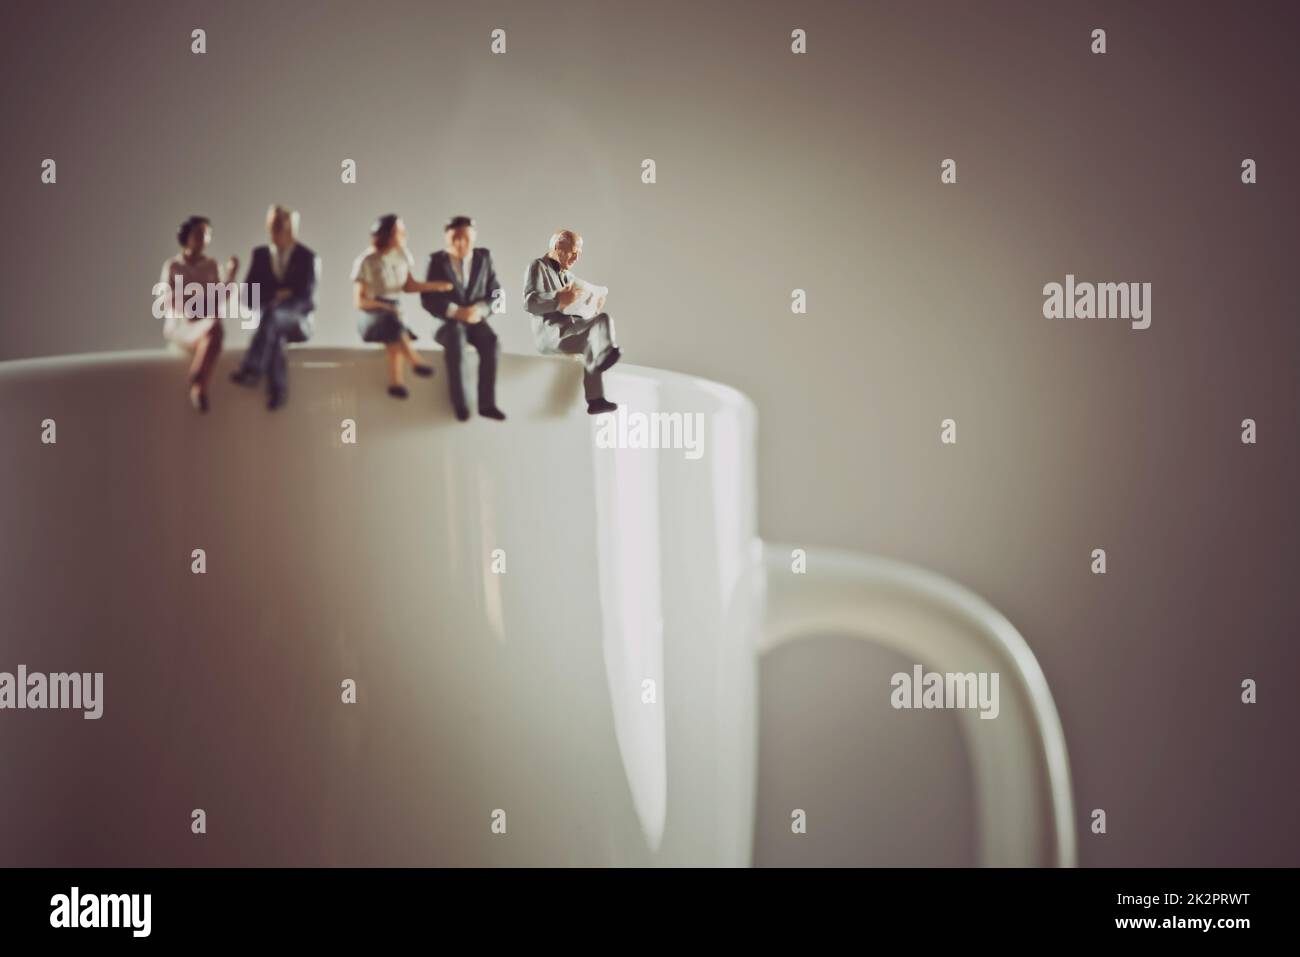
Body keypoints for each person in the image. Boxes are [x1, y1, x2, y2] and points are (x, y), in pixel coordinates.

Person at [352, 215, 453, 399]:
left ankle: (396, 383)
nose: (404, 234)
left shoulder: (402, 255)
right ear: (389, 235)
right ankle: (415, 361)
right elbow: (360, 301)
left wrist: (436, 286)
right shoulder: (367, 261)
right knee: (394, 325)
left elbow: (409, 286)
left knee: (394, 334)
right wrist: (384, 307)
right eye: (400, 231)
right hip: (373, 312)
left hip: (395, 311)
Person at [230, 205, 319, 410]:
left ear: (291, 227)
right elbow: (248, 297)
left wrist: (274, 297)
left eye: (280, 225)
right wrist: (278, 294)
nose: (275, 231)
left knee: (272, 318)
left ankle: (252, 368)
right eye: (272, 225)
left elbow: (307, 300)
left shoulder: (307, 258)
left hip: (297, 321)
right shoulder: (260, 255)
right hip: (268, 322)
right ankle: (278, 391)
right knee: (274, 333)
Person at [522, 229, 621, 414]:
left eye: (579, 254)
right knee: (593, 337)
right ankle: (603, 357)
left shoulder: (568, 276)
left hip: (569, 327)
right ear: (558, 246)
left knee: (602, 320)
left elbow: (577, 306)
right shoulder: (538, 266)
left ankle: (596, 399)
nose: (576, 258)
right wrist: (558, 299)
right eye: (572, 252)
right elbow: (529, 302)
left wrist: (594, 303)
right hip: (551, 334)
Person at [420, 215, 506, 421]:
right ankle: (461, 405)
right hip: (448, 322)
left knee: (492, 342)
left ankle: (487, 404)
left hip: (475, 319)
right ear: (446, 237)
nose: (460, 243)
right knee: (456, 341)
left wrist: (481, 310)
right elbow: (428, 298)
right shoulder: (436, 261)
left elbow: (496, 293)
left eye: (465, 238)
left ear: (473, 236)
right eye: (454, 238)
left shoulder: (484, 258)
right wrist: (453, 311)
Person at [159, 216, 237, 412]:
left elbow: (220, 296)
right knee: (213, 334)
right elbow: (165, 298)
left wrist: (231, 275)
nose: (203, 239)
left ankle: (199, 379)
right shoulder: (174, 266)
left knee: (214, 332)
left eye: (207, 235)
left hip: (204, 320)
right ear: (187, 236)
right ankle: (199, 382)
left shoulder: (211, 265)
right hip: (182, 322)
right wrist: (187, 301)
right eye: (199, 234)